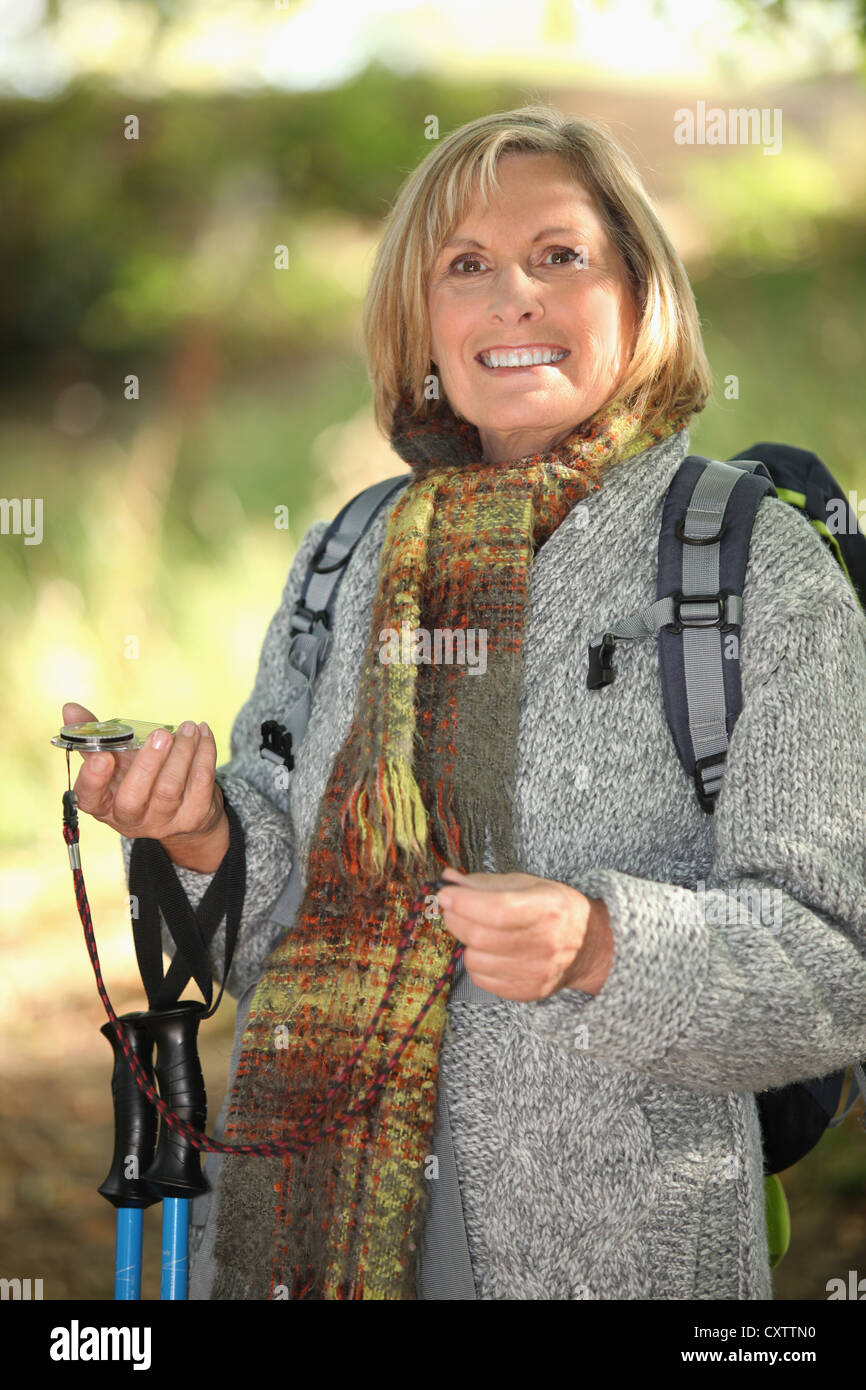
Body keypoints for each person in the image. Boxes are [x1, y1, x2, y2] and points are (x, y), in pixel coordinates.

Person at [64, 105, 866, 1300]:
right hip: (310, 1226)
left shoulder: (748, 561)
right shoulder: (346, 554)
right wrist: (197, 835)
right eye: (466, 267)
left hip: (616, 1256)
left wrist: (601, 944)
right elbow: (271, 940)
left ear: (639, 298)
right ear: (422, 322)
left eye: (559, 257)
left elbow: (835, 968)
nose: (513, 300)